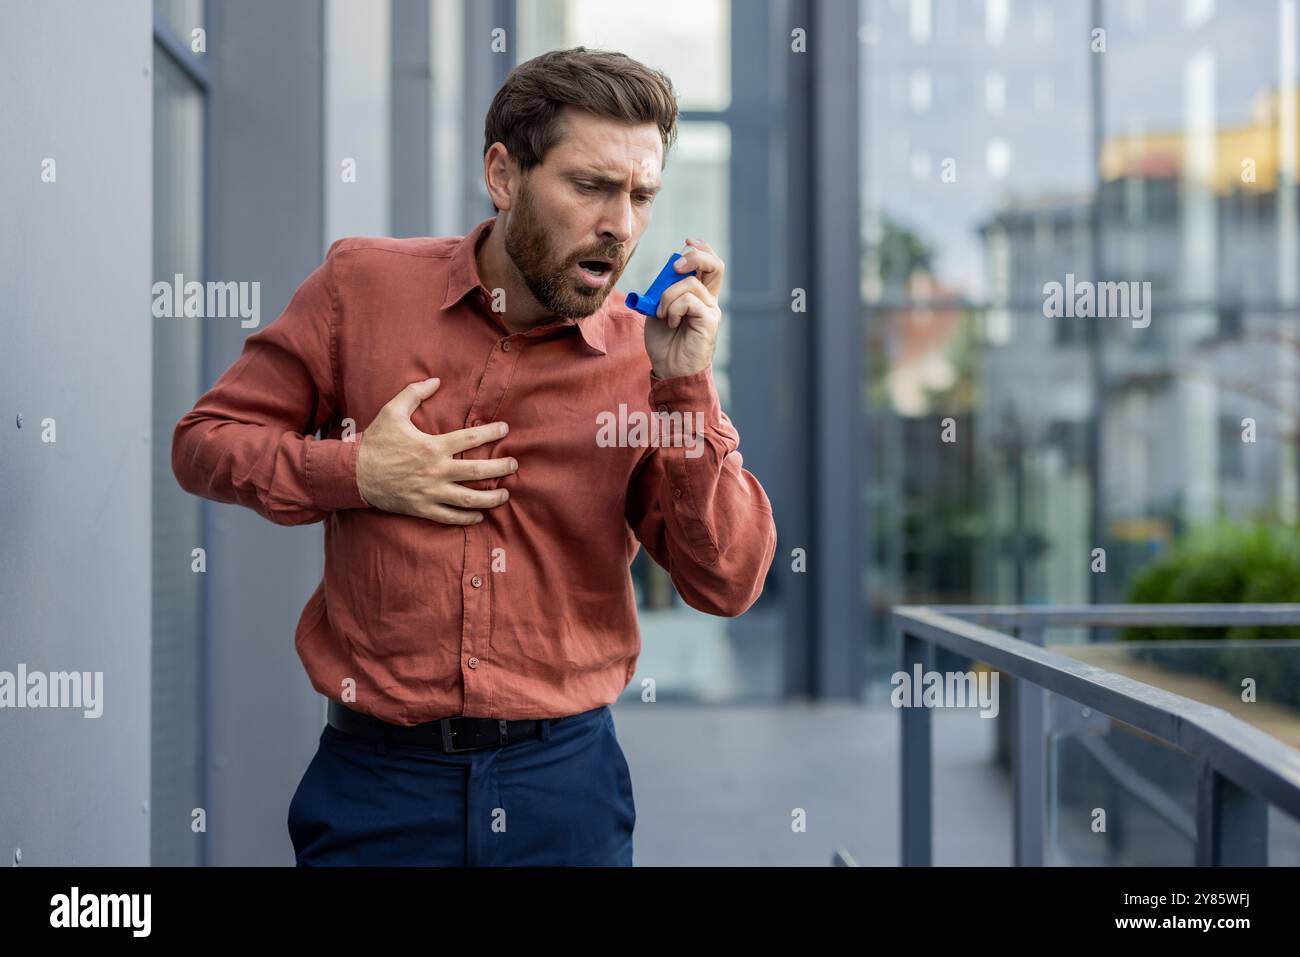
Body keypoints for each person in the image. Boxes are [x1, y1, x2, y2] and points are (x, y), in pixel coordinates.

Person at [171, 46, 778, 866]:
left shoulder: (652, 361)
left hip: (564, 788)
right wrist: (357, 472)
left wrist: (687, 392)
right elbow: (204, 443)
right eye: (591, 185)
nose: (622, 224)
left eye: (641, 195)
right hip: (376, 786)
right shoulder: (363, 287)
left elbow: (727, 580)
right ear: (504, 174)